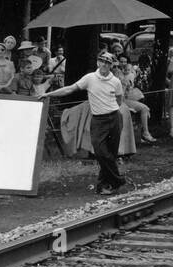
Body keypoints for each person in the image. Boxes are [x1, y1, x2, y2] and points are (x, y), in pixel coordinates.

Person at [46, 51, 128, 196]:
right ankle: (118, 180)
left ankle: (104, 186)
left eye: (108, 62)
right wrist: (48, 94)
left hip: (114, 118)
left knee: (111, 153)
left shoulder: (115, 81)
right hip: (98, 119)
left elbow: (119, 99)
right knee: (101, 152)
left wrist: (110, 109)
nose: (104, 64)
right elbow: (70, 89)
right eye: (102, 61)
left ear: (111, 65)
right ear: (98, 62)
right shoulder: (89, 78)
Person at [116, 54, 155, 143]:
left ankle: (143, 134)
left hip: (129, 98)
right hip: (120, 100)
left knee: (144, 109)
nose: (123, 63)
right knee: (141, 109)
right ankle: (141, 134)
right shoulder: (117, 72)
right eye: (121, 61)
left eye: (125, 61)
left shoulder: (130, 72)